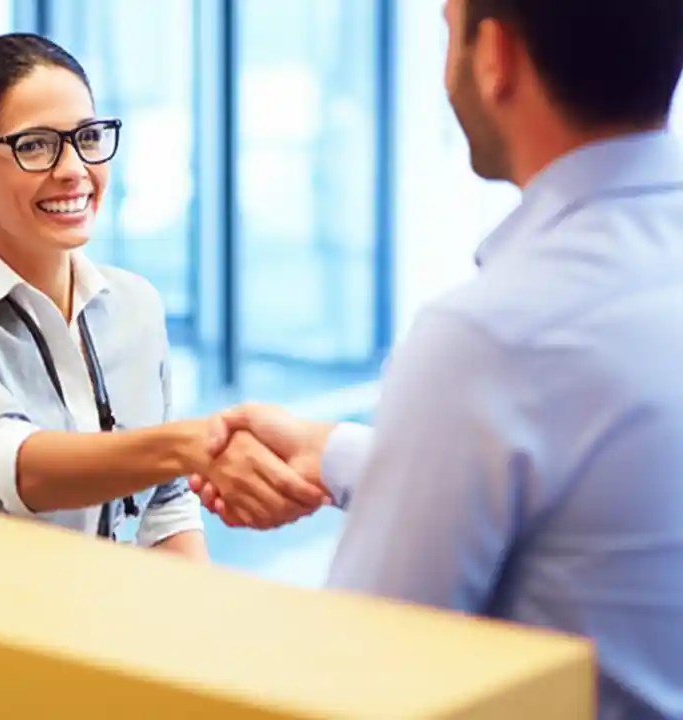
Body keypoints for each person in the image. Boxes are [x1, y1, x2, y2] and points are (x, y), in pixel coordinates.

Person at [194, 0, 683, 716]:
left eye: (448, 31)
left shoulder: (492, 337)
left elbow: (368, 675)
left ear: (496, 58)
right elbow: (603, 501)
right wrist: (337, 453)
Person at [0, 33, 325, 558]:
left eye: (86, 137)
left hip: (107, 618)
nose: (73, 170)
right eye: (35, 145)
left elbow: (166, 509)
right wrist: (193, 445)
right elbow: (14, 468)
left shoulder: (135, 304)